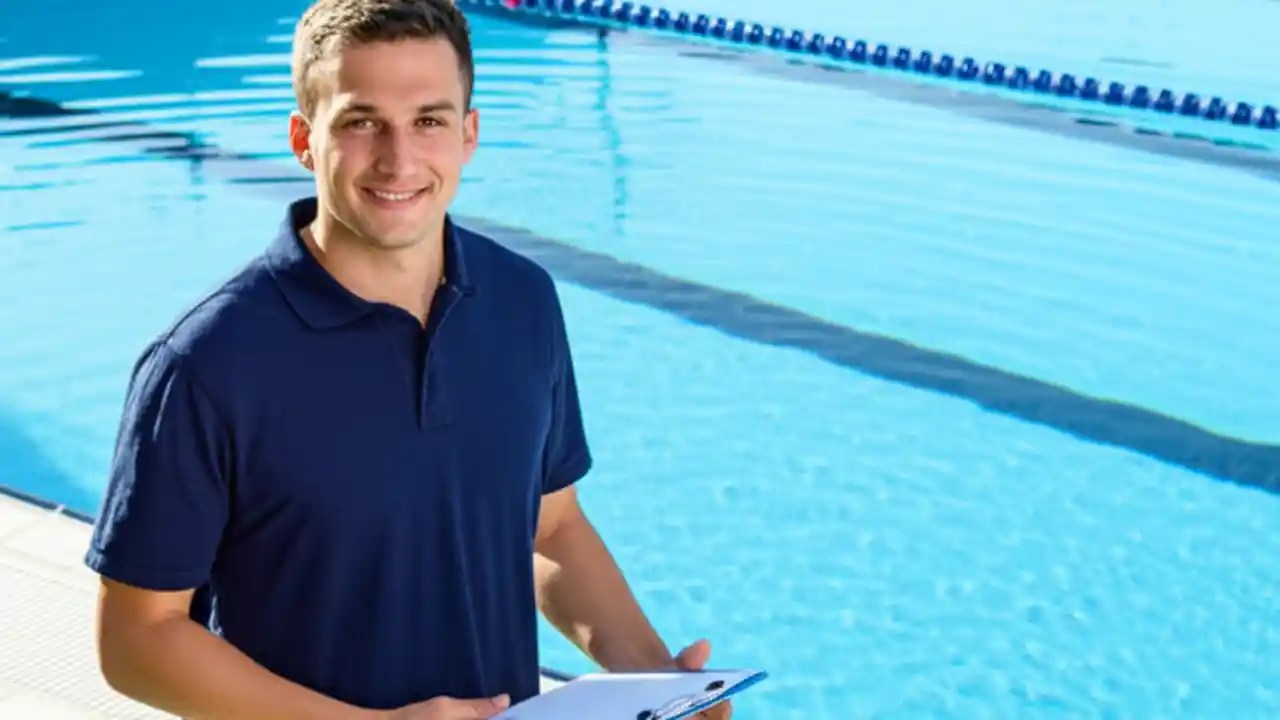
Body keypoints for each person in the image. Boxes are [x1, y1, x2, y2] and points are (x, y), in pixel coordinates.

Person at [82, 1, 732, 718]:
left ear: (468, 134)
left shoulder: (522, 301)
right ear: (305, 138)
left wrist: (660, 684)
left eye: (428, 120)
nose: (399, 160)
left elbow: (550, 526)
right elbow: (138, 640)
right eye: (362, 122)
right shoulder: (206, 364)